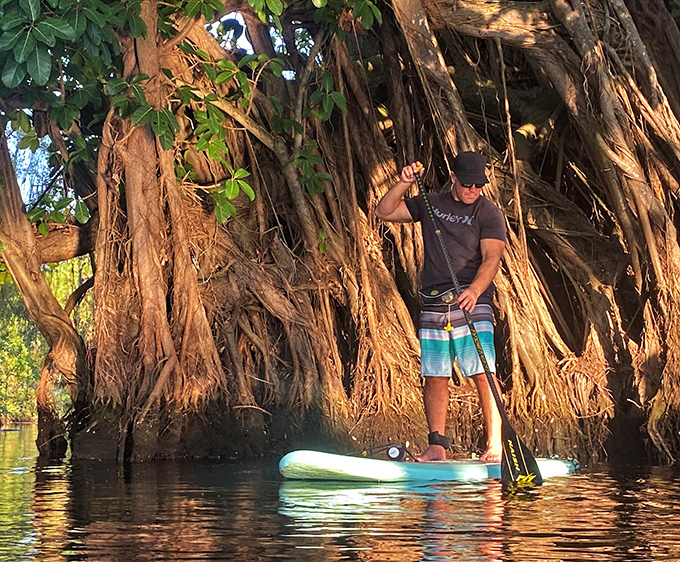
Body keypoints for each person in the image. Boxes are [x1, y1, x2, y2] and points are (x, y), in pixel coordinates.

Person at [375, 152, 507, 462]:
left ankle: (496, 444)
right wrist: (404, 182)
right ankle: (437, 446)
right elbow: (385, 211)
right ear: (453, 177)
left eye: (478, 185)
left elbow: (492, 258)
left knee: (483, 373)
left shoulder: (489, 213)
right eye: (467, 184)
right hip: (435, 302)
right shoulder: (431, 203)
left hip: (473, 301)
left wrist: (475, 290)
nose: (473, 189)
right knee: (435, 376)